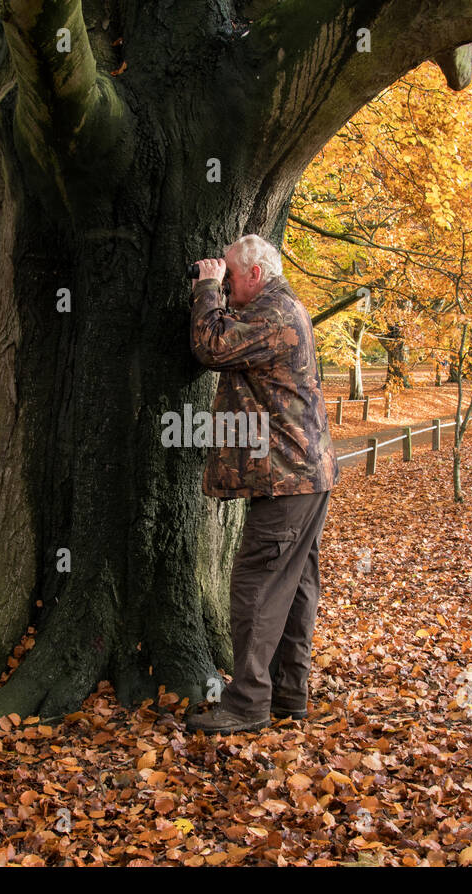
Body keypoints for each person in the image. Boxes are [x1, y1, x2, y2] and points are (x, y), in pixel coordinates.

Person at [185, 234, 339, 734]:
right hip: (303, 475)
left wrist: (205, 289)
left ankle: (248, 702)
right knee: (295, 590)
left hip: (289, 478)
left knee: (256, 583)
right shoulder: (279, 309)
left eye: (230, 276)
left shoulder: (274, 315)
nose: (226, 285)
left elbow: (211, 345)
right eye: (222, 278)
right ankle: (289, 695)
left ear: (255, 274)